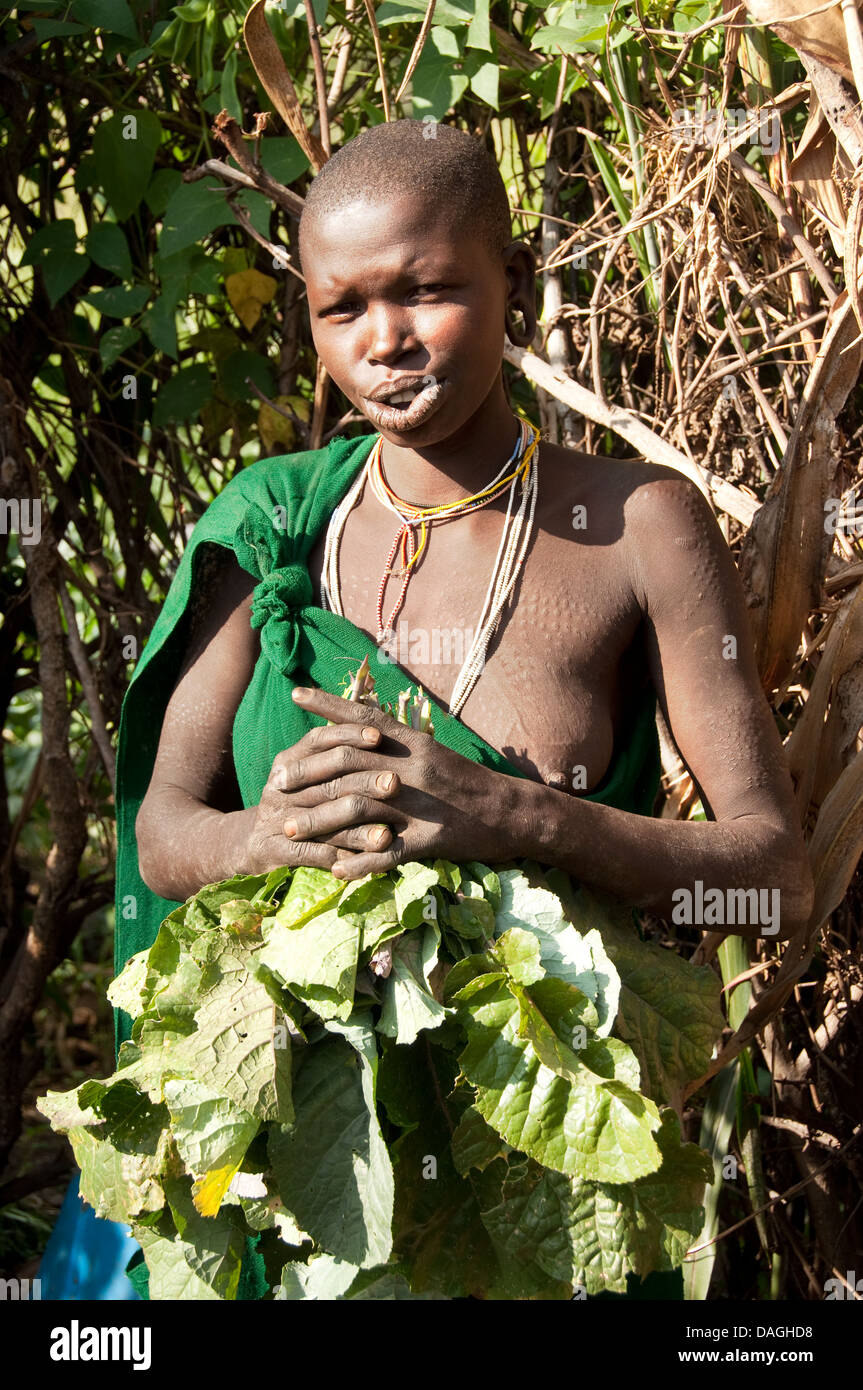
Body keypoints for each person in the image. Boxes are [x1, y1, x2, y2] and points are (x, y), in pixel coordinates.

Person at [65, 119, 815, 1300]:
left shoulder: (635, 527)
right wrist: (267, 837)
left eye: (424, 290)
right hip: (294, 1158)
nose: (383, 344)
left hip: (540, 1165)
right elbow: (164, 831)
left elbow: (772, 875)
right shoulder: (276, 528)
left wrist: (510, 814)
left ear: (512, 283)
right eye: (339, 309)